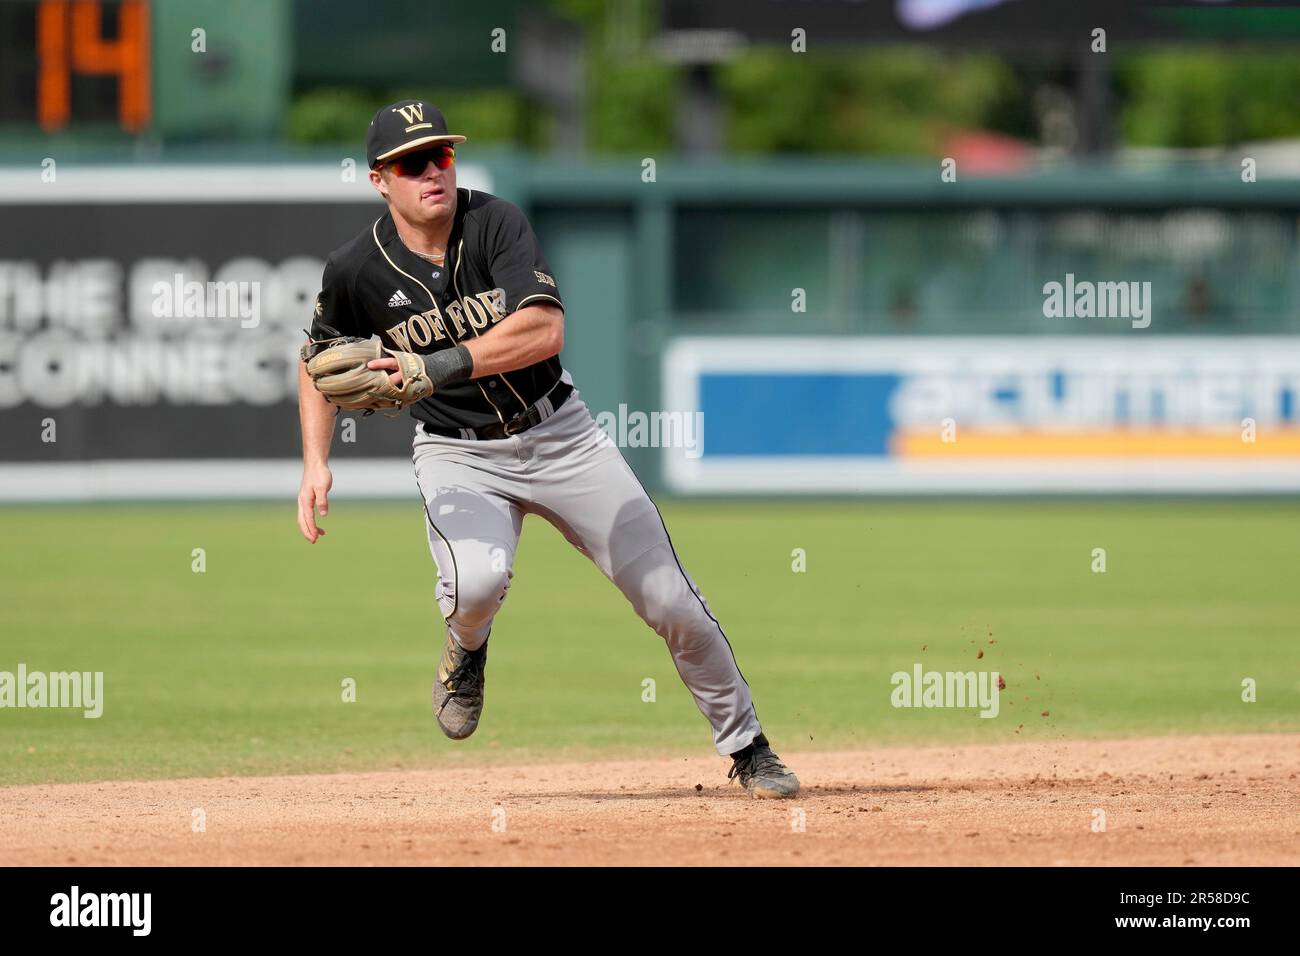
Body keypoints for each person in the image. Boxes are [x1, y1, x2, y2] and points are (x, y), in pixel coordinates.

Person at [296, 100, 799, 798]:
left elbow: (542, 330)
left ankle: (749, 747)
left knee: (671, 602)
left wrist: (431, 366)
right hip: (458, 452)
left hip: (561, 435)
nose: (433, 172)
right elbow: (317, 363)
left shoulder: (495, 222)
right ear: (381, 179)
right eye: (413, 163)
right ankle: (466, 651)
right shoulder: (355, 271)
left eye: (442, 155)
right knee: (475, 584)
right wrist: (316, 463)